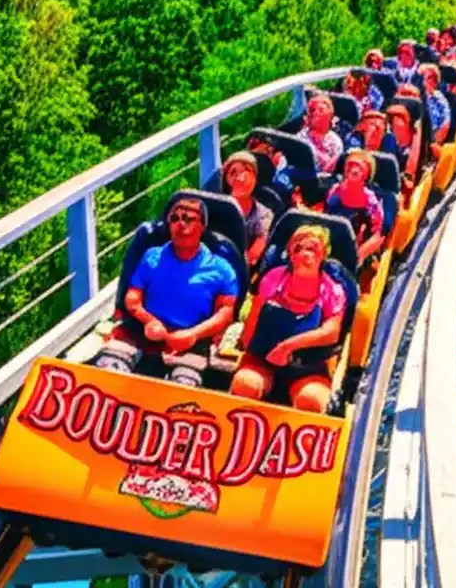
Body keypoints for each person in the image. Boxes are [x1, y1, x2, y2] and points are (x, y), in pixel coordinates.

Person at [91, 197, 238, 386]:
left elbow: (225, 314)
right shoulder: (152, 256)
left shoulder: (222, 269)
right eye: (174, 218)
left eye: (187, 218)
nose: (180, 224)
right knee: (108, 368)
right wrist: (149, 321)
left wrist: (193, 334)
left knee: (183, 386)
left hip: (192, 339)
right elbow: (132, 299)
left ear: (202, 226)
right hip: (144, 331)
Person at [230, 225, 346, 413]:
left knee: (311, 400)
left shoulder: (333, 290)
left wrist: (287, 347)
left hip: (308, 370)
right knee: (245, 384)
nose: (305, 254)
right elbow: (254, 318)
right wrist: (245, 346)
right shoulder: (273, 279)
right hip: (264, 361)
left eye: (312, 248)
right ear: (290, 254)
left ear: (323, 254)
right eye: (298, 248)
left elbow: (331, 333)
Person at [324, 150, 386, 265]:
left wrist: (360, 254)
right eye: (350, 165)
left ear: (367, 174)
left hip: (357, 247)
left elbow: (378, 235)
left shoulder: (371, 202)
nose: (353, 169)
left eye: (359, 166)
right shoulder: (334, 191)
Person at [222, 152, 272, 268]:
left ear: (255, 178)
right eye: (233, 172)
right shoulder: (219, 207)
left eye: (247, 171)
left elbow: (254, 255)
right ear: (226, 180)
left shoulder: (265, 214)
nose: (240, 177)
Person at [297, 94, 344, 173]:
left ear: (330, 115)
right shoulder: (301, 136)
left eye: (321, 110)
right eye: (312, 110)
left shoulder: (335, 142)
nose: (316, 113)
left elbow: (331, 169)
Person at [420, 64, 451, 145]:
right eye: (422, 76)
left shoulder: (438, 98)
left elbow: (445, 124)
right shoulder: (412, 96)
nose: (424, 81)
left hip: (432, 141)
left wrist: (433, 143)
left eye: (429, 78)